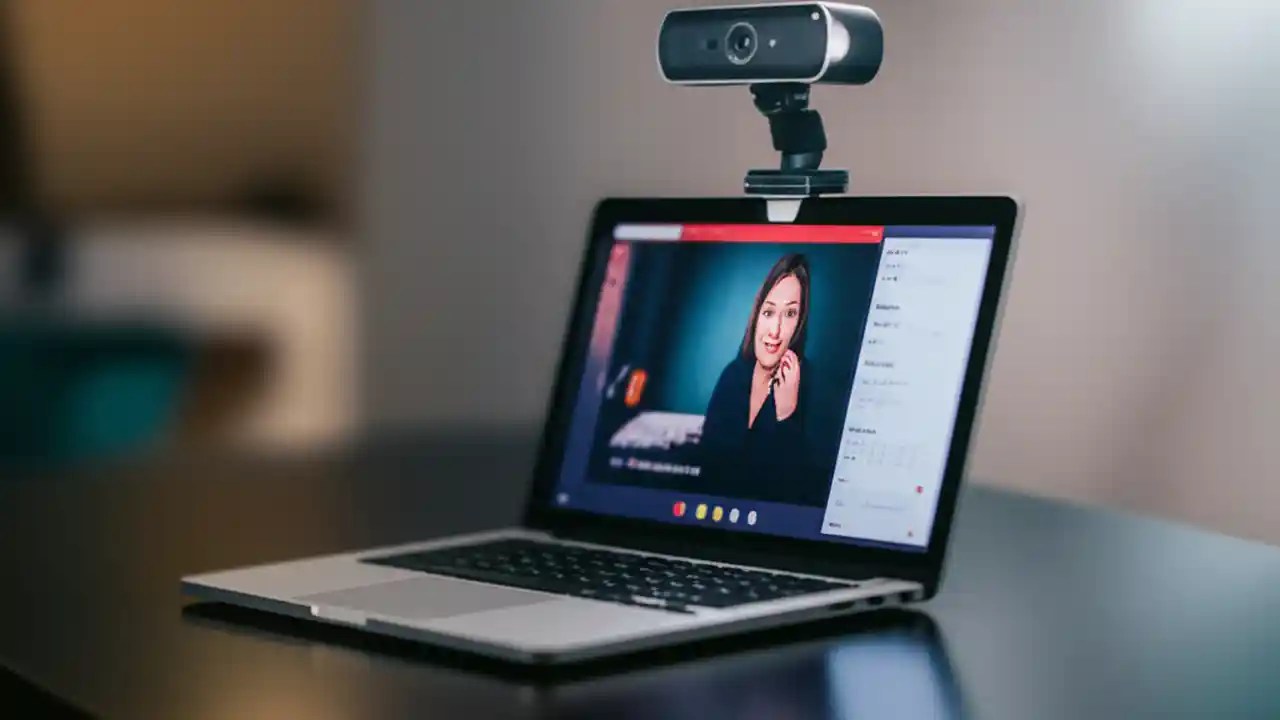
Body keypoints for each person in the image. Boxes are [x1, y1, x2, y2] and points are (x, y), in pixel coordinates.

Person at [700, 253, 825, 506]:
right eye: (769, 312)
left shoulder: (810, 385)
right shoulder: (733, 374)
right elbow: (705, 467)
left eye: (789, 314)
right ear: (757, 315)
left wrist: (786, 415)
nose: (775, 330)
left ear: (800, 323)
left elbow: (798, 496)